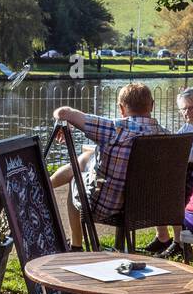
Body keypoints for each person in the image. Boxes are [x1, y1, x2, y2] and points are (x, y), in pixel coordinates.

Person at [49, 83, 164, 250]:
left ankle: (76, 246)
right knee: (88, 156)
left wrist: (64, 121)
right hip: (148, 209)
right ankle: (46, 184)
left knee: (76, 179)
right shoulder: (167, 136)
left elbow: (63, 112)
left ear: (121, 108)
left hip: (107, 206)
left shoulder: (113, 130)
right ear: (152, 106)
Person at [146, 87, 193, 256]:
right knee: (154, 181)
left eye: (191, 107)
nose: (187, 113)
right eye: (183, 109)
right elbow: (173, 144)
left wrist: (169, 148)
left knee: (168, 189)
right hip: (186, 175)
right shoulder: (188, 128)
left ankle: (179, 243)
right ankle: (163, 237)